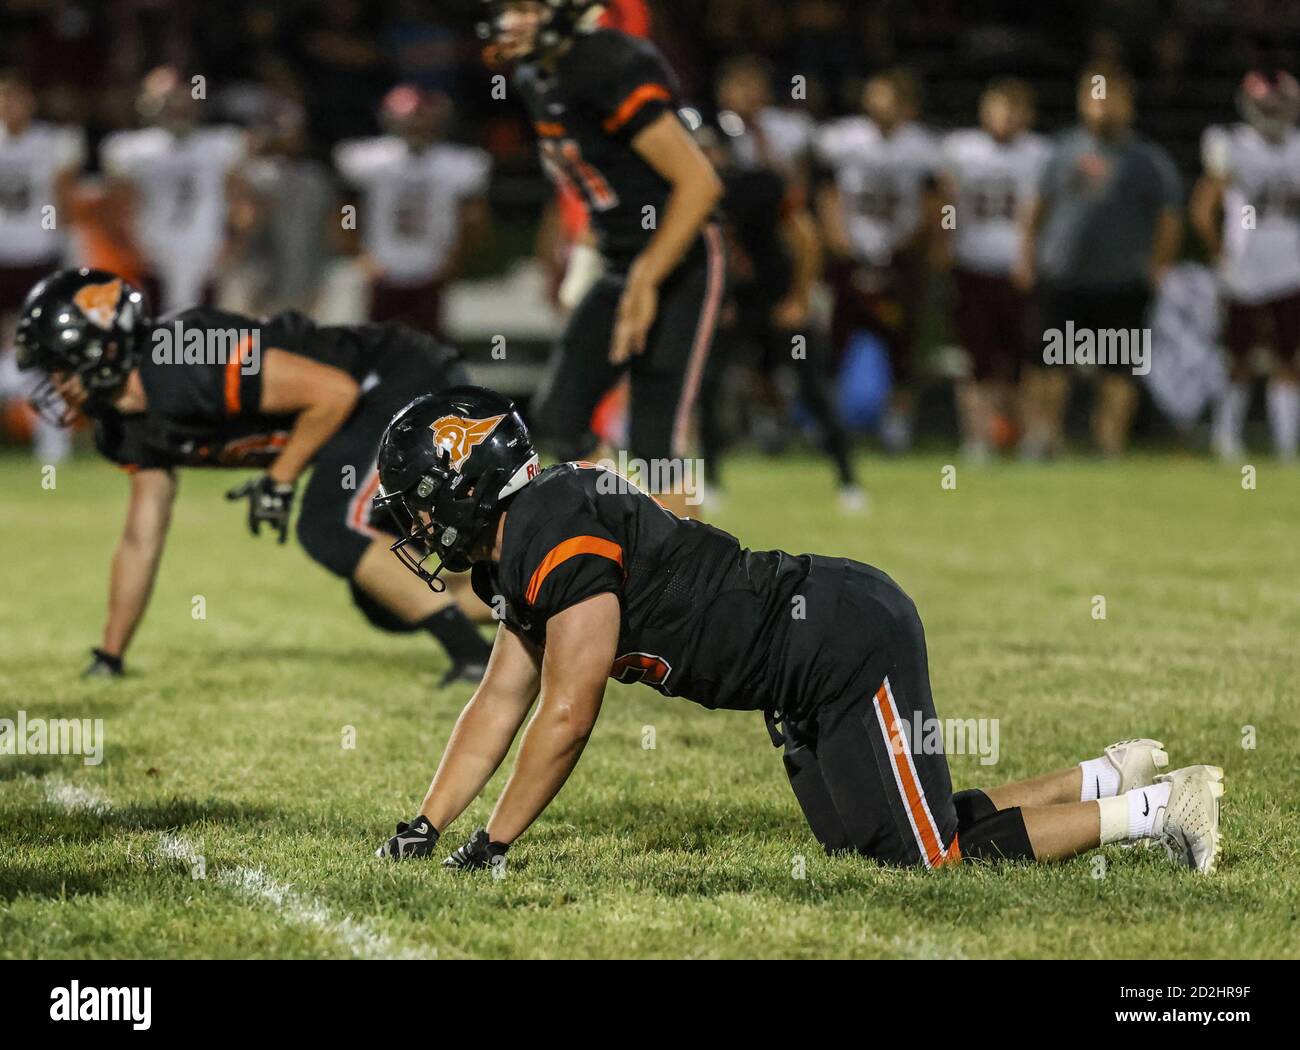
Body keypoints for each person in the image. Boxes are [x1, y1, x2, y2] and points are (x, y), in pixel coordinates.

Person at [371, 386, 1225, 875]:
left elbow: (567, 713)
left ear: (467, 484)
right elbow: (502, 699)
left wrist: (494, 843)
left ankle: (1159, 808)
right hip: (798, 668)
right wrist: (426, 825)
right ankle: (1105, 775)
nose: (415, 525)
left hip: (838, 644)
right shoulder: (522, 540)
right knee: (869, 842)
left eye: (419, 504)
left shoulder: (553, 527)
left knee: (925, 858)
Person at [14, 268, 492, 683]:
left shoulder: (182, 353)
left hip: (394, 381)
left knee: (329, 527)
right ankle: (526, 606)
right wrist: (110, 655)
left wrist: (280, 479)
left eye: (61, 366)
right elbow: (142, 536)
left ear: (104, 346)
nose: (55, 384)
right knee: (390, 599)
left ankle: (474, 661)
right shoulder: (120, 428)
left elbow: (334, 392)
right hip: (363, 409)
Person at [485, 0, 726, 517]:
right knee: (559, 418)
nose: (509, 21)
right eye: (506, 8)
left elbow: (699, 184)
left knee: (655, 444)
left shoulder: (608, 64)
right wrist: (588, 257)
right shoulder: (534, 76)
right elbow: (599, 183)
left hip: (678, 258)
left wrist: (646, 278)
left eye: (525, 7)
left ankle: (689, 564)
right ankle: (628, 527)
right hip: (620, 258)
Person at [693, 113, 861, 506]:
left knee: (811, 386)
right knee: (707, 387)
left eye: (709, 149)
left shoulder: (760, 186)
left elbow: (806, 238)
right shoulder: (681, 189)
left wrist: (799, 298)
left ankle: (848, 479)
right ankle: (710, 479)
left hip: (775, 300)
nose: (703, 156)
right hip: (730, 305)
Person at [1016, 63, 1182, 458]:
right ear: (1082, 101)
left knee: (1119, 366)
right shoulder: (1060, 152)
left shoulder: (1147, 160)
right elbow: (1034, 210)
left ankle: (1109, 445)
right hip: (1063, 277)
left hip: (1122, 281)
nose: (1103, 106)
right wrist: (1027, 257)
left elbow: (1169, 218)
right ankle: (1045, 440)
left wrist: (1158, 266)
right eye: (1096, 96)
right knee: (1052, 362)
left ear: (1129, 104)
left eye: (1112, 98)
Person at [814, 68, 941, 452]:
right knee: (835, 338)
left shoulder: (922, 147)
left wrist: (910, 244)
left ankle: (896, 421)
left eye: (887, 97)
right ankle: (829, 421)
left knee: (901, 342)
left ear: (907, 105)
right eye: (874, 95)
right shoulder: (844, 139)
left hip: (900, 259)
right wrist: (838, 238)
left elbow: (933, 204)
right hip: (849, 255)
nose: (878, 104)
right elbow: (827, 193)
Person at [1191, 70, 1300, 461]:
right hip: (1246, 267)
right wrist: (1219, 251)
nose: (1272, 112)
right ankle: (1227, 439)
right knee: (1239, 357)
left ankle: (1285, 446)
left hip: (1291, 266)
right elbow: (1204, 208)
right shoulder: (1232, 144)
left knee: (1289, 357)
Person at [938, 79, 1049, 460]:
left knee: (1023, 360)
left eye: (1014, 110)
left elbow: (1039, 211)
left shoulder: (1039, 153)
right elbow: (947, 202)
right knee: (977, 359)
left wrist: (1029, 257)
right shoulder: (961, 150)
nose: (1006, 118)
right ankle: (978, 437)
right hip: (972, 263)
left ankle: (1029, 437)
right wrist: (946, 242)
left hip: (1017, 269)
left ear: (1028, 115)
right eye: (1000, 109)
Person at [334, 85, 491, 338]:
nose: (417, 127)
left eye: (424, 120)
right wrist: (357, 250)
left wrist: (457, 255)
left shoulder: (458, 163)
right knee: (377, 343)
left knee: (429, 344)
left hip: (432, 265)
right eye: (411, 120)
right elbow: (347, 207)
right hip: (383, 264)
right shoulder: (370, 158)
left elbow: (473, 216)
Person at [100, 66, 249, 314]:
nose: (177, 106)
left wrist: (234, 244)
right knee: (154, 326)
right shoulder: (128, 149)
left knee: (204, 329)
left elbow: (241, 203)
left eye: (182, 97)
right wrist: (130, 251)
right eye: (168, 99)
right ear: (147, 102)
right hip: (151, 258)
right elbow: (114, 210)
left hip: (206, 255)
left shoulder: (222, 143)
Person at [0, 69, 83, 464]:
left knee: (46, 349)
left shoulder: (53, 141)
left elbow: (63, 199)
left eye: (16, 97)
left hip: (38, 254)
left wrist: (65, 246)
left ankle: (53, 443)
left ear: (29, 101)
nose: (10, 105)